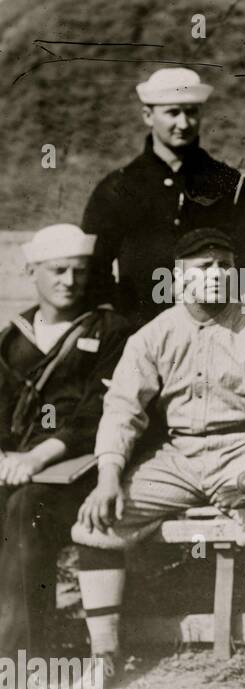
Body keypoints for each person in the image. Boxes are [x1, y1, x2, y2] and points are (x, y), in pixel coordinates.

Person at [71, 229, 245, 689]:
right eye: (202, 266)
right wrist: (109, 475)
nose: (215, 274)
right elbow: (122, 408)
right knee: (97, 522)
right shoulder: (154, 334)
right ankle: (104, 654)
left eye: (224, 265)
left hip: (243, 447)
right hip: (179, 457)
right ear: (179, 277)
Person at [0, 225, 131, 659]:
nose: (69, 282)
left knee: (27, 508)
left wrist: (37, 457)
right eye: (57, 271)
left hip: (84, 467)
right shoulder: (12, 339)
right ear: (32, 270)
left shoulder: (110, 331)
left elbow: (99, 413)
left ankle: (21, 659)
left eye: (78, 271)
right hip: (21, 464)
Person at [82, 68, 245, 326]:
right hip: (138, 328)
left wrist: (238, 317)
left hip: (217, 326)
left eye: (191, 112)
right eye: (172, 112)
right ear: (148, 115)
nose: (183, 123)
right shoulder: (118, 187)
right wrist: (118, 319)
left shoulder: (231, 186)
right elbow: (93, 267)